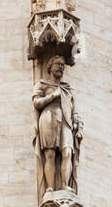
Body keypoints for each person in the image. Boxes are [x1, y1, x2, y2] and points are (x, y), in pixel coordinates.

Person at [33, 55, 81, 195]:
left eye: (62, 65)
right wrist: (53, 96)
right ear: (50, 66)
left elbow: (74, 111)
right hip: (48, 118)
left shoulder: (67, 89)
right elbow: (37, 103)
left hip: (66, 120)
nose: (61, 67)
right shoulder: (42, 84)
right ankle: (49, 187)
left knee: (67, 152)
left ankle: (65, 186)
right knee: (50, 154)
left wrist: (79, 125)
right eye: (58, 64)